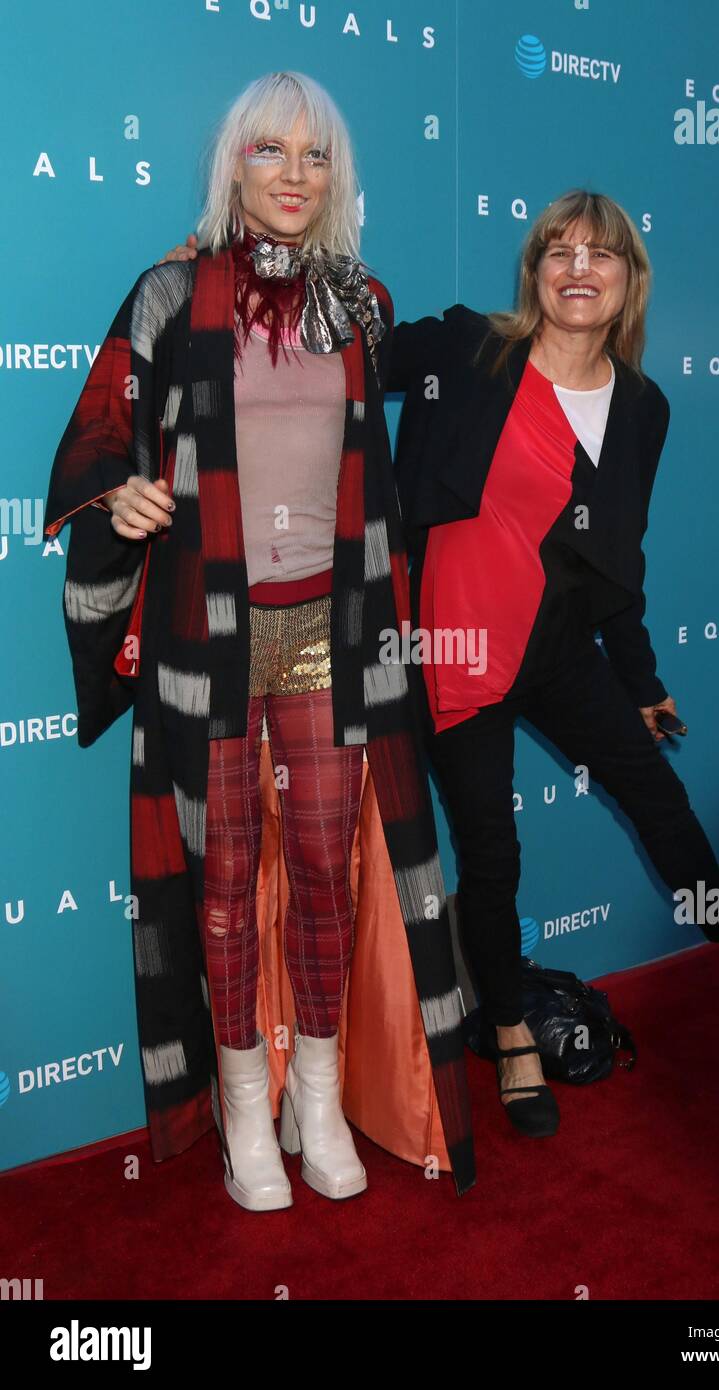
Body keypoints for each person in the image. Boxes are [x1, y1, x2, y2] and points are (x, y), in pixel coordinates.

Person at [160, 189, 719, 1143]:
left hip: (558, 648)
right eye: (557, 251)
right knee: (492, 851)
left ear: (628, 282)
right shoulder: (470, 350)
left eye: (600, 255)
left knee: (658, 798)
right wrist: (228, 280)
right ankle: (513, 1032)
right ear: (535, 273)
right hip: (451, 648)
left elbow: (619, 558)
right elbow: (338, 347)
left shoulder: (643, 406)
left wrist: (639, 678)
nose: (577, 269)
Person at [43, 70, 475, 1210]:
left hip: (331, 632)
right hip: (208, 638)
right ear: (233, 165)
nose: (293, 174)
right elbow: (99, 428)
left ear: (336, 177)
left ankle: (314, 1096)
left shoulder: (360, 306)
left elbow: (408, 447)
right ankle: (244, 1108)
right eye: (269, 151)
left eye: (315, 155)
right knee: (224, 880)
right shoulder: (170, 295)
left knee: (328, 871)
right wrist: (118, 496)